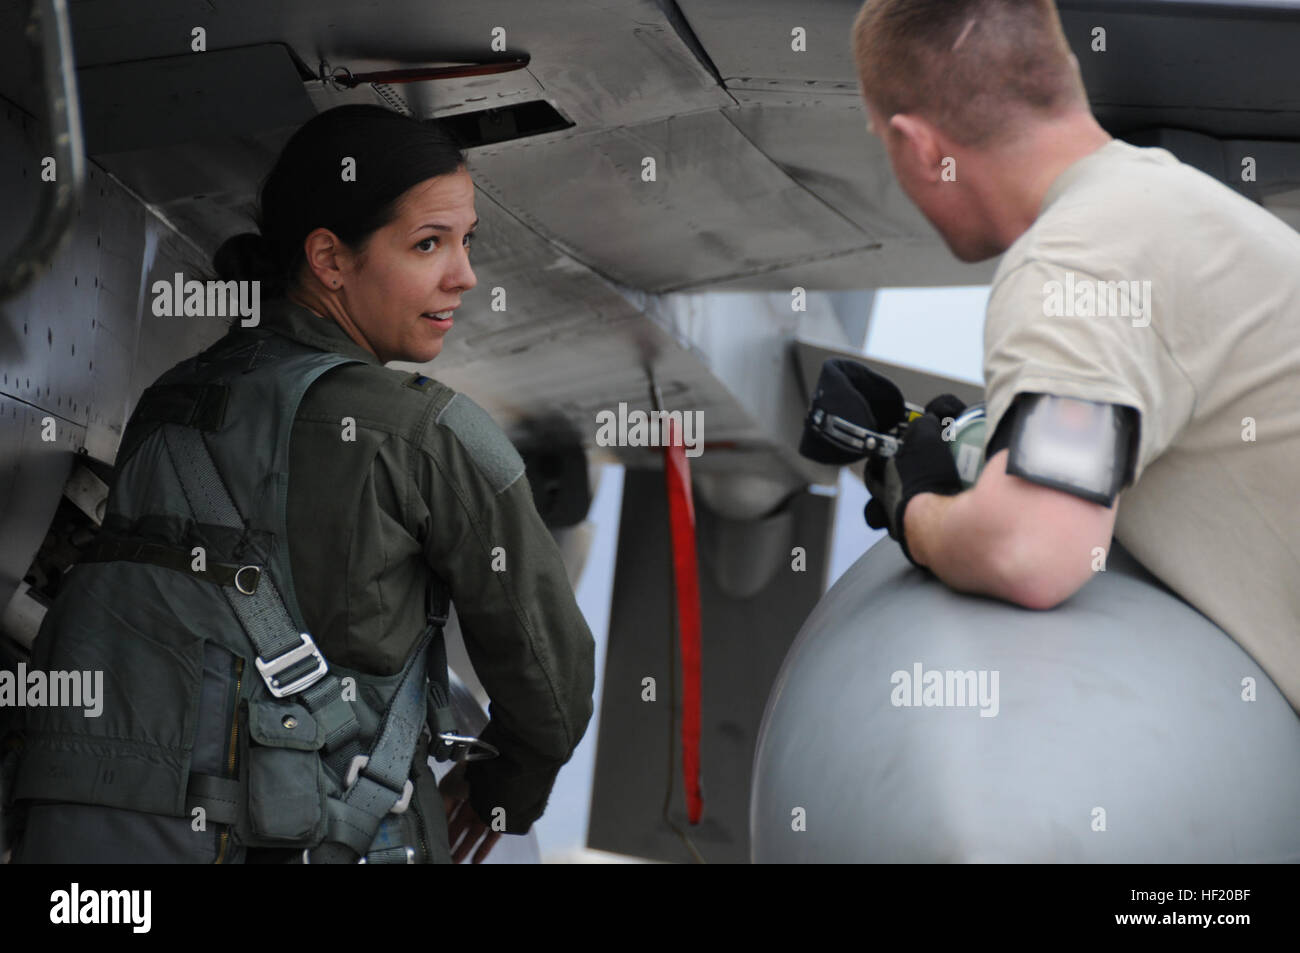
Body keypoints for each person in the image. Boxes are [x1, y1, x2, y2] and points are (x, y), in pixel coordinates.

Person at [11, 104, 595, 862]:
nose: (465, 274)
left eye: (465, 242)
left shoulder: (168, 403)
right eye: (428, 244)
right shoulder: (427, 437)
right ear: (329, 260)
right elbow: (552, 689)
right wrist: (496, 793)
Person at [850, 0, 1300, 713]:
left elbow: (1033, 547)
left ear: (915, 146)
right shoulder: (1182, 207)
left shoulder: (1074, 264)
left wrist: (920, 508)